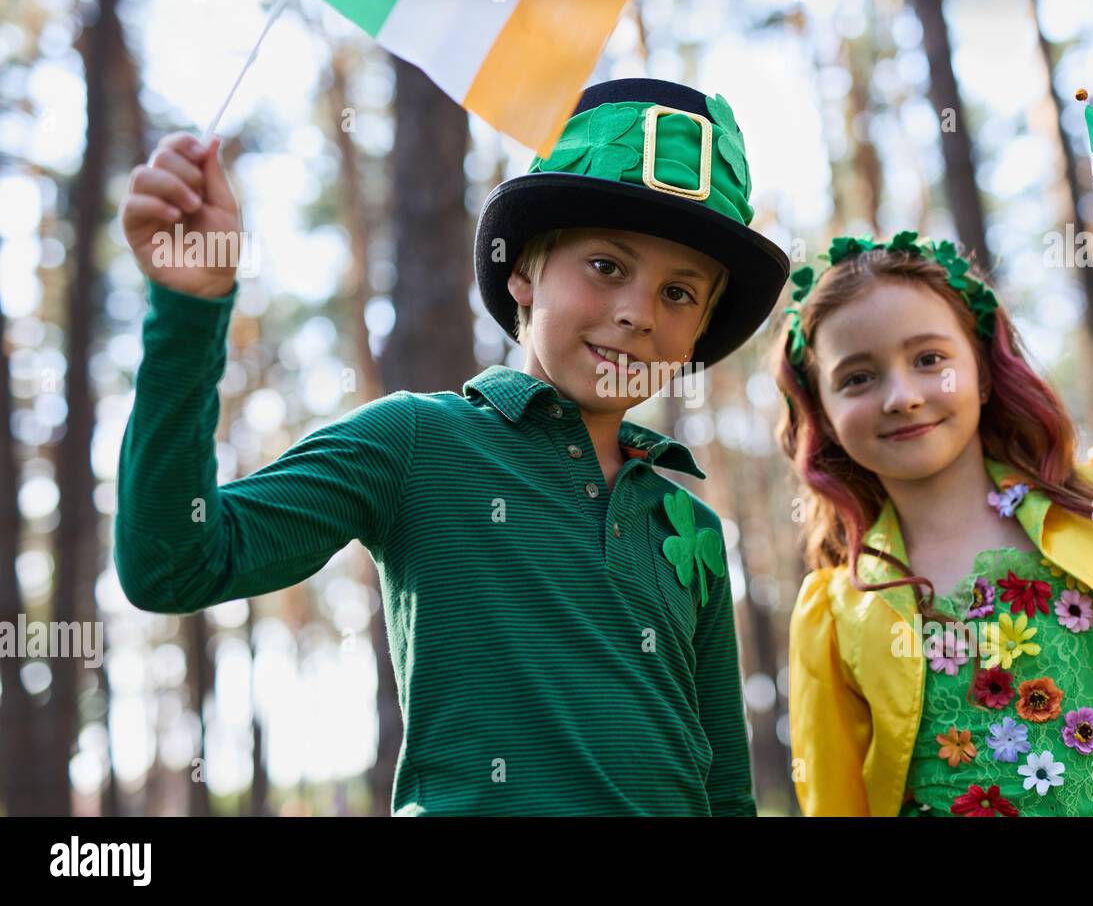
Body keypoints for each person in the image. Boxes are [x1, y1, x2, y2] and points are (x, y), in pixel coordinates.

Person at [114, 77, 790, 815]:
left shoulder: (689, 524)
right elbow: (172, 566)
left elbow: (725, 786)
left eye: (680, 293)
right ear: (525, 269)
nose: (637, 313)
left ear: (699, 331)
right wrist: (188, 310)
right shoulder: (414, 440)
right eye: (606, 267)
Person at [775, 229, 1093, 816]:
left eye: (929, 359)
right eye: (857, 378)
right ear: (821, 411)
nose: (902, 396)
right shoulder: (837, 608)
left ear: (983, 369)